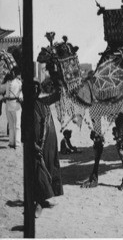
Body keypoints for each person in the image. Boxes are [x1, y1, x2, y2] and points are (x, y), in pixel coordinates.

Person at [34, 79, 63, 218]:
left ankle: (44, 199)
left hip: (49, 140)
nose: (34, 90)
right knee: (39, 170)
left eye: (36, 87)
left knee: (50, 166)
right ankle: (38, 203)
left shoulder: (44, 101)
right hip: (35, 144)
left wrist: (57, 76)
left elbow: (58, 95)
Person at [5, 67, 22, 148]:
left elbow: (22, 91)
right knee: (11, 125)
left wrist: (21, 96)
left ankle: (17, 143)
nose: (12, 73)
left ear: (15, 74)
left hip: (16, 104)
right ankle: (11, 142)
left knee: (17, 125)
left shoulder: (19, 82)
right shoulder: (8, 82)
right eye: (11, 72)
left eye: (13, 72)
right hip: (8, 104)